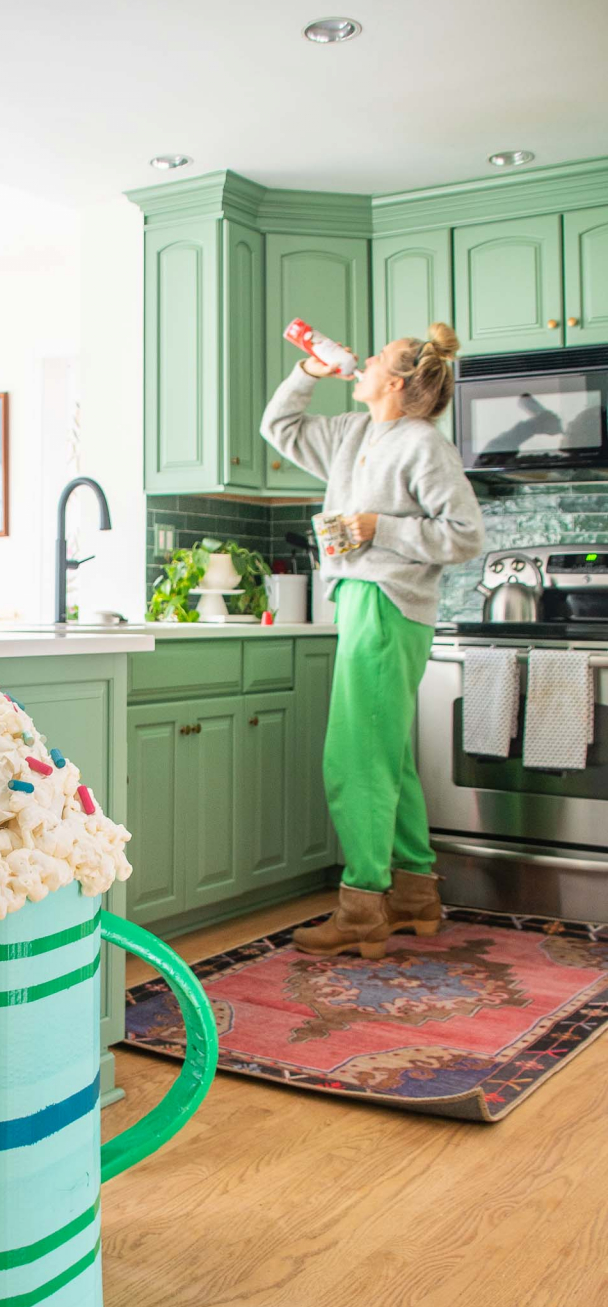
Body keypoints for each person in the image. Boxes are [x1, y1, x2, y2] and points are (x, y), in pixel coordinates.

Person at [260, 323, 485, 958]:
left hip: (389, 604)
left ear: (396, 381)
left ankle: (363, 906)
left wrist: (376, 526)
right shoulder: (353, 433)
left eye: (376, 358)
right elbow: (279, 429)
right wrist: (309, 372)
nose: (360, 361)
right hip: (359, 600)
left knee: (355, 757)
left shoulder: (422, 445)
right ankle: (414, 894)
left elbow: (465, 535)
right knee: (385, 755)